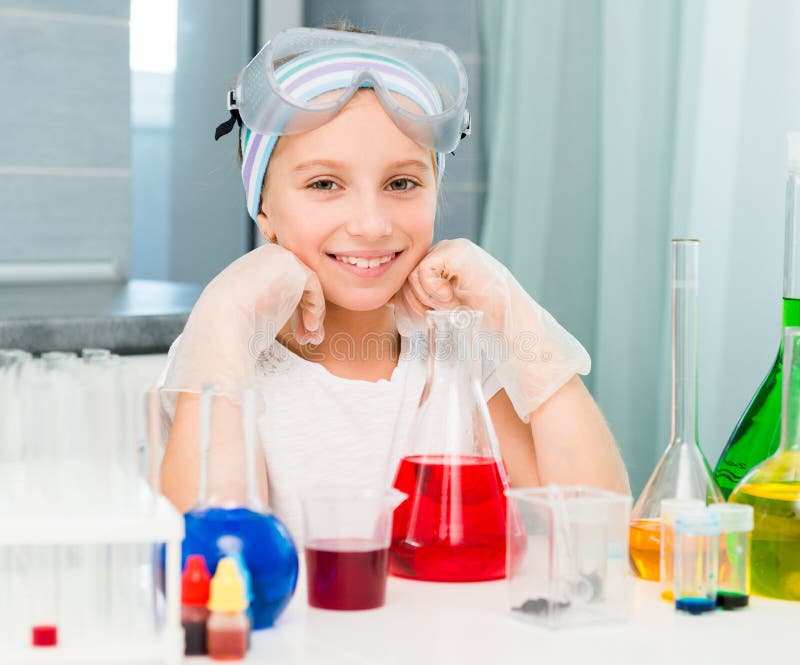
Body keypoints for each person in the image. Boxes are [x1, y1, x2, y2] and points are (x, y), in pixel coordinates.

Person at [160, 23, 629, 540]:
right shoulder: (225, 357)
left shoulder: (461, 356)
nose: (371, 223)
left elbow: (595, 534)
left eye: (401, 183)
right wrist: (226, 309)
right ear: (263, 207)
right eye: (324, 184)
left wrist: (513, 313)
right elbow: (212, 562)